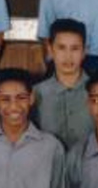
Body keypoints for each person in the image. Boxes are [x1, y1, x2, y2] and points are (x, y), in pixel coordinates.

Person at [33, 19, 93, 150]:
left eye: (75, 48)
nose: (68, 56)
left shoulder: (97, 92)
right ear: (50, 49)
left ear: (84, 51)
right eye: (61, 48)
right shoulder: (36, 93)